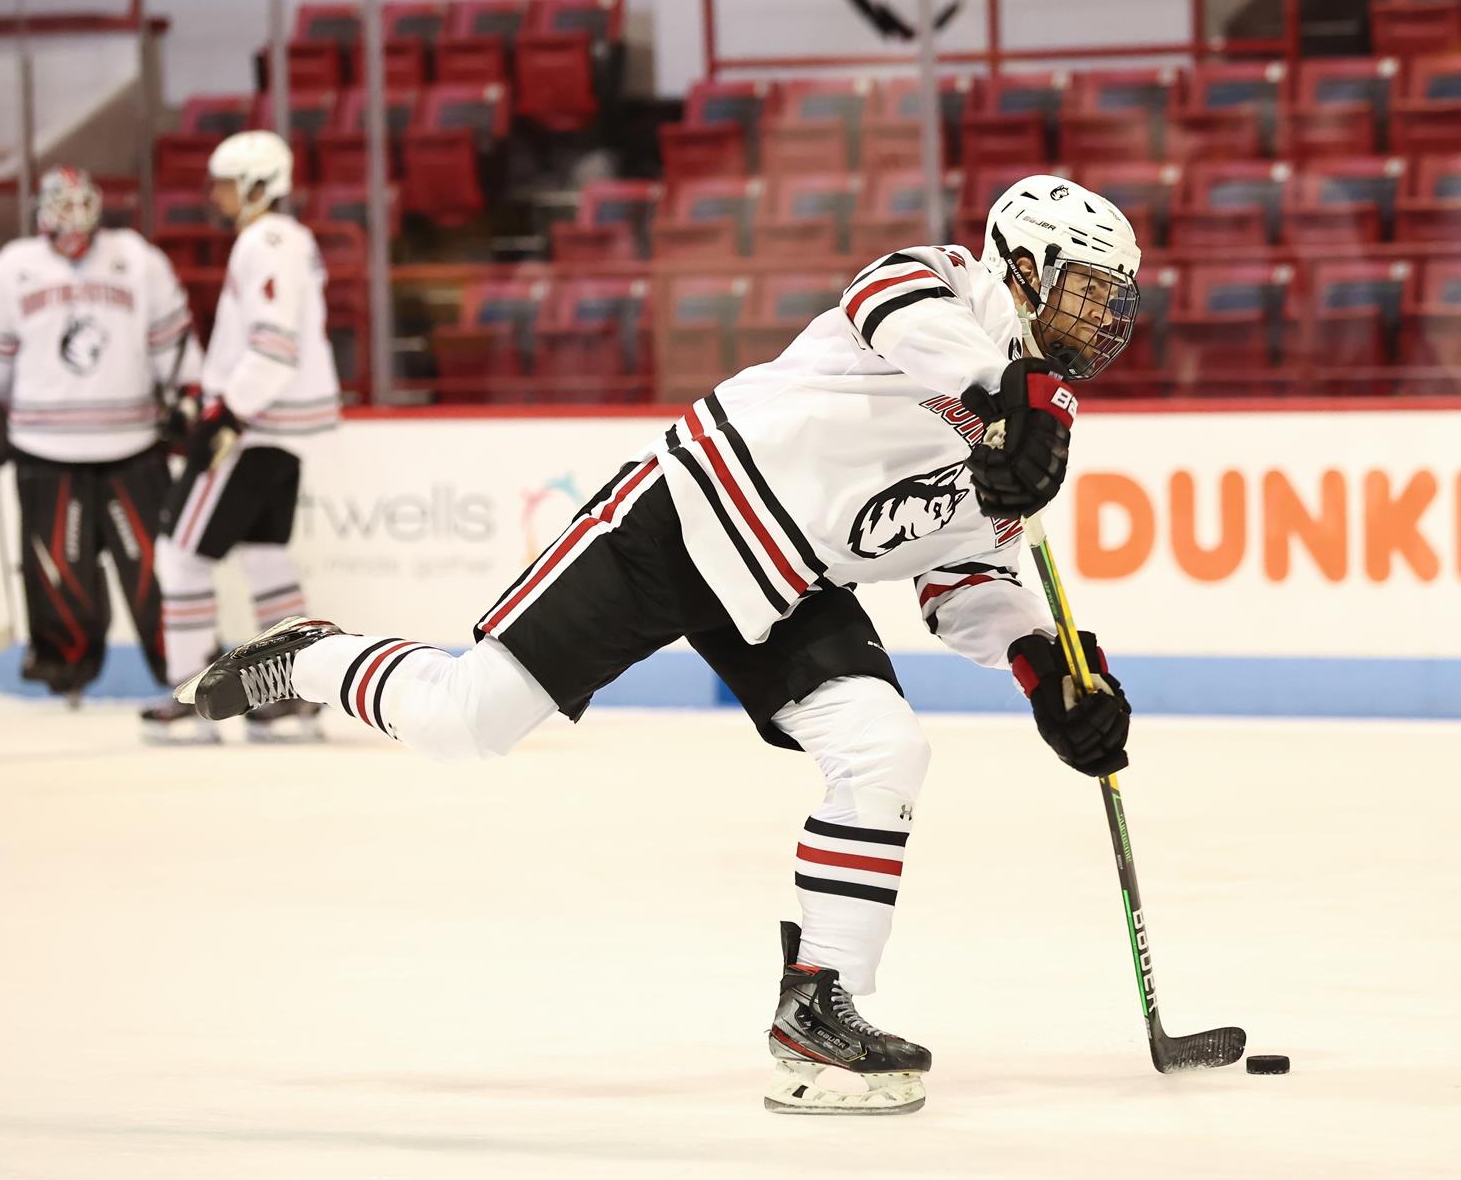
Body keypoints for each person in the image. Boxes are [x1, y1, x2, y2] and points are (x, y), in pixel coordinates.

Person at [176, 175, 1140, 1115]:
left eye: (1114, 300)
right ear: (1021, 264)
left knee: (886, 748)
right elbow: (883, 300)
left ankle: (818, 1011)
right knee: (459, 721)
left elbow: (970, 575)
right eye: (1090, 289)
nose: (1104, 319)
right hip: (686, 516)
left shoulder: (1035, 430)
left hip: (795, 586)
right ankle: (308, 655)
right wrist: (1007, 393)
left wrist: (1046, 667)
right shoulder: (948, 291)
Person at [0, 167, 190, 700]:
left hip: (133, 443)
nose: (71, 219)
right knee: (59, 570)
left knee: (155, 569)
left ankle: (184, 666)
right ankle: (65, 669)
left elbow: (172, 347)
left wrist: (187, 397)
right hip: (46, 448)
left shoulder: (137, 259)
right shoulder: (10, 270)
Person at [140, 131, 340, 745]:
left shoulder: (265, 241)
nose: (216, 195)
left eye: (226, 182)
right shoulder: (290, 239)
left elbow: (271, 349)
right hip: (282, 431)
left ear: (258, 184)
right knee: (265, 556)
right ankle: (295, 693)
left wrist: (224, 415)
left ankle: (194, 692)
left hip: (253, 429)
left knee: (179, 553)